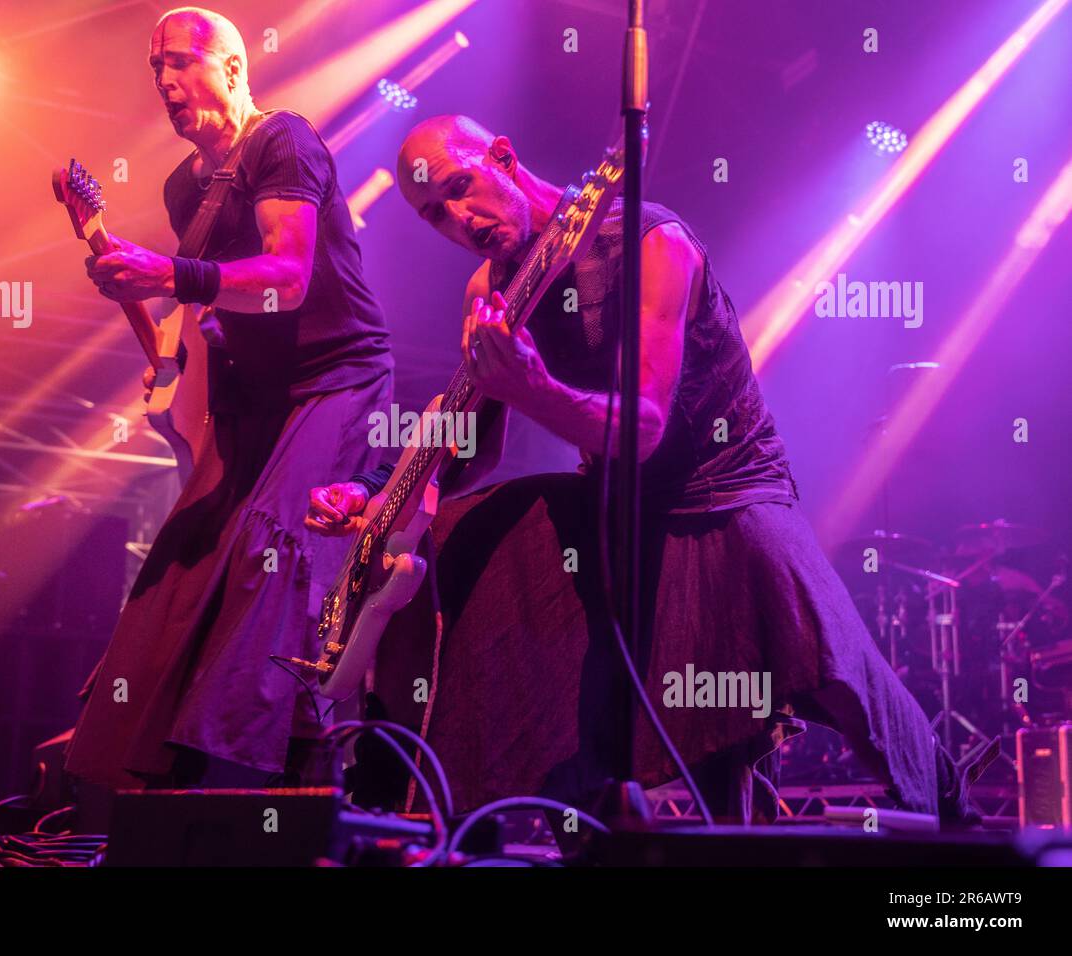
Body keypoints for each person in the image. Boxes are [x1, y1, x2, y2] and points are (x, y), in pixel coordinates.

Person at [305, 115, 980, 823]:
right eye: (432, 214)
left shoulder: (651, 242)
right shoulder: (491, 291)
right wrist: (378, 490)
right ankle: (439, 806)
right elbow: (475, 445)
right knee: (469, 531)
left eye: (459, 187)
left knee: (838, 678)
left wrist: (532, 388)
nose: (456, 219)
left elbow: (647, 427)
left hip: (725, 487)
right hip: (617, 500)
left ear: (502, 156)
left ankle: (961, 826)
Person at [64, 8, 392, 793]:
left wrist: (167, 274)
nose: (167, 82)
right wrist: (165, 343)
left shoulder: (283, 140)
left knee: (267, 548)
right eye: (156, 69)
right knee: (177, 568)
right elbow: (208, 315)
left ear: (235, 68)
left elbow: (286, 278)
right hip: (252, 398)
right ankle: (139, 779)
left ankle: (242, 777)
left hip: (334, 379)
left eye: (181, 61)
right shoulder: (186, 186)